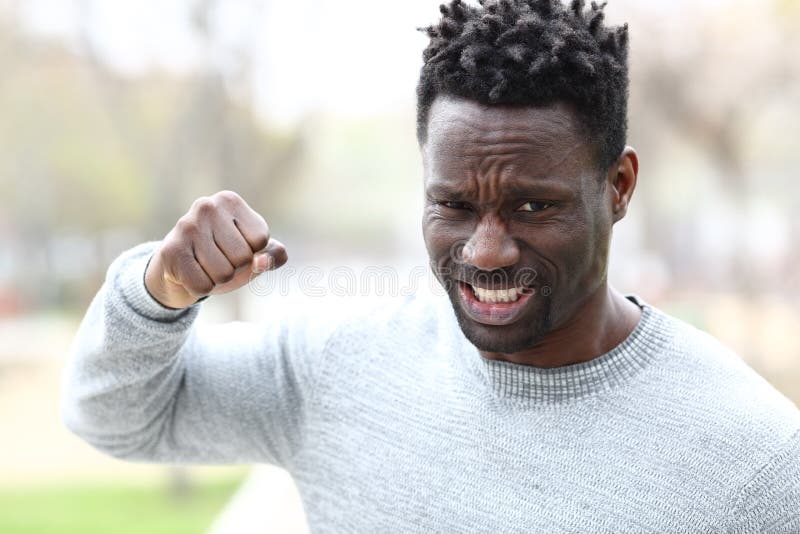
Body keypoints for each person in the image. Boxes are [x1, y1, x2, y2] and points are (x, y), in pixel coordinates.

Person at [62, 0, 800, 531]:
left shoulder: (755, 461)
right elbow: (115, 419)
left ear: (619, 187)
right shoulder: (336, 365)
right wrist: (157, 294)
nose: (486, 251)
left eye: (533, 207)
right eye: (452, 206)